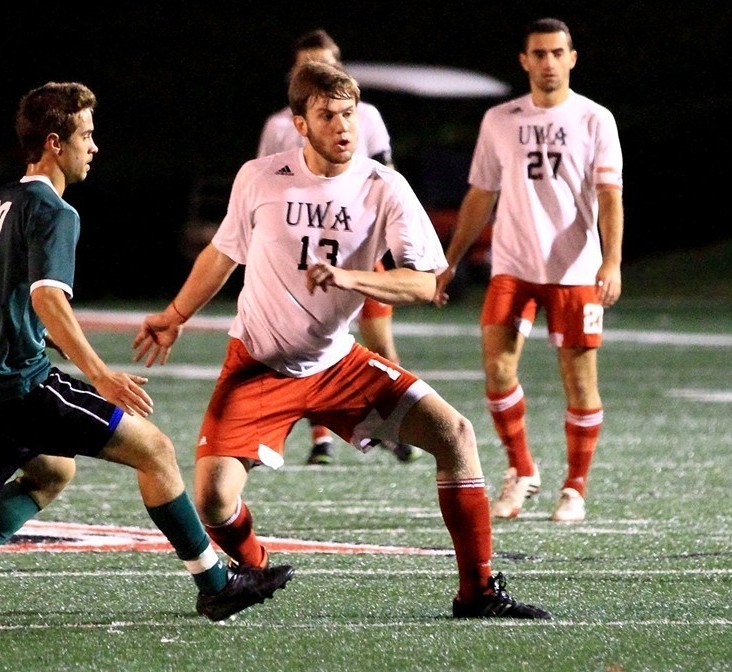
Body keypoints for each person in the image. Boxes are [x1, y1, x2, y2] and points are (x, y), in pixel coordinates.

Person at [133, 61, 550, 619]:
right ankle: (254, 566)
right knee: (211, 499)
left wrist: (356, 278)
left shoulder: (383, 187)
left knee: (456, 433)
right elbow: (223, 252)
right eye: (327, 115)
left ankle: (475, 591)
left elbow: (426, 281)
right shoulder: (259, 176)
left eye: (349, 114)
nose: (343, 126)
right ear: (300, 124)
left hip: (338, 364)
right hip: (258, 365)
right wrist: (175, 313)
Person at [0, 81, 294, 621]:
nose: (95, 146)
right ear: (53, 143)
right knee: (155, 450)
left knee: (53, 471)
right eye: (86, 135)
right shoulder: (55, 212)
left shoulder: (4, 202)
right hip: (20, 385)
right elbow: (47, 299)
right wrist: (101, 375)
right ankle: (215, 582)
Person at [434, 18, 624, 523]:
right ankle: (522, 470)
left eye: (556, 53)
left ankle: (575, 487)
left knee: (579, 382)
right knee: (497, 371)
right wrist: (450, 259)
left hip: (575, 270)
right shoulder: (500, 119)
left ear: (572, 58)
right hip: (513, 267)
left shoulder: (595, 119)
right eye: (537, 54)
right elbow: (481, 194)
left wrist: (611, 260)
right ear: (524, 61)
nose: (547, 62)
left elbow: (610, 196)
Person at [258, 27, 419, 466]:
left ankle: (395, 422)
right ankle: (320, 437)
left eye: (325, 65)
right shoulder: (280, 126)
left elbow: (387, 178)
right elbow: (264, 191)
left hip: (359, 249)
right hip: (304, 253)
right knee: (307, 341)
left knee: (380, 340)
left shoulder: (364, 116)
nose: (318, 75)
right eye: (307, 69)